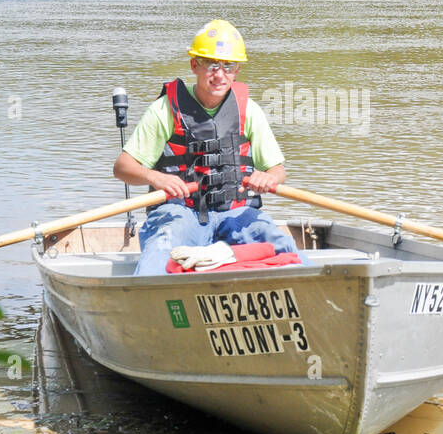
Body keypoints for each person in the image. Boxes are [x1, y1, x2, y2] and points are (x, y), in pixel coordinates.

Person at [113, 19, 303, 276]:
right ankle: (147, 298)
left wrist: (267, 177)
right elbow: (123, 167)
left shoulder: (250, 110)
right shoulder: (164, 110)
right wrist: (155, 177)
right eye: (212, 65)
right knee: (163, 246)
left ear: (237, 71)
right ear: (195, 65)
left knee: (280, 245)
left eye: (229, 66)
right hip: (180, 211)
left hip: (236, 213)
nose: (220, 75)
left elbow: (277, 169)